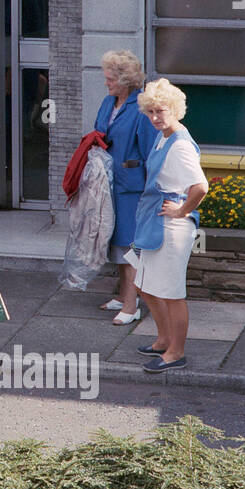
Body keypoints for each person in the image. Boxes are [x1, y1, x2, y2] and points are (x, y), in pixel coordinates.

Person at [127, 80, 208, 374]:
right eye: (150, 112)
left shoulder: (181, 144)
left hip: (170, 227)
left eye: (160, 111)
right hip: (154, 221)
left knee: (172, 293)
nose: (155, 117)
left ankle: (176, 352)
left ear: (174, 109)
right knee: (144, 287)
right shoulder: (164, 136)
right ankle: (163, 339)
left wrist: (182, 210)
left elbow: (200, 187)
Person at [93, 51, 158, 326]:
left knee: (130, 247)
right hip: (110, 182)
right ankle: (122, 296)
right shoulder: (110, 102)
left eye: (110, 79)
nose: (106, 83)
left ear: (126, 80)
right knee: (117, 240)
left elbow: (152, 152)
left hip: (133, 187)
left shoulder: (142, 107)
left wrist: (151, 192)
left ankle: (132, 306)